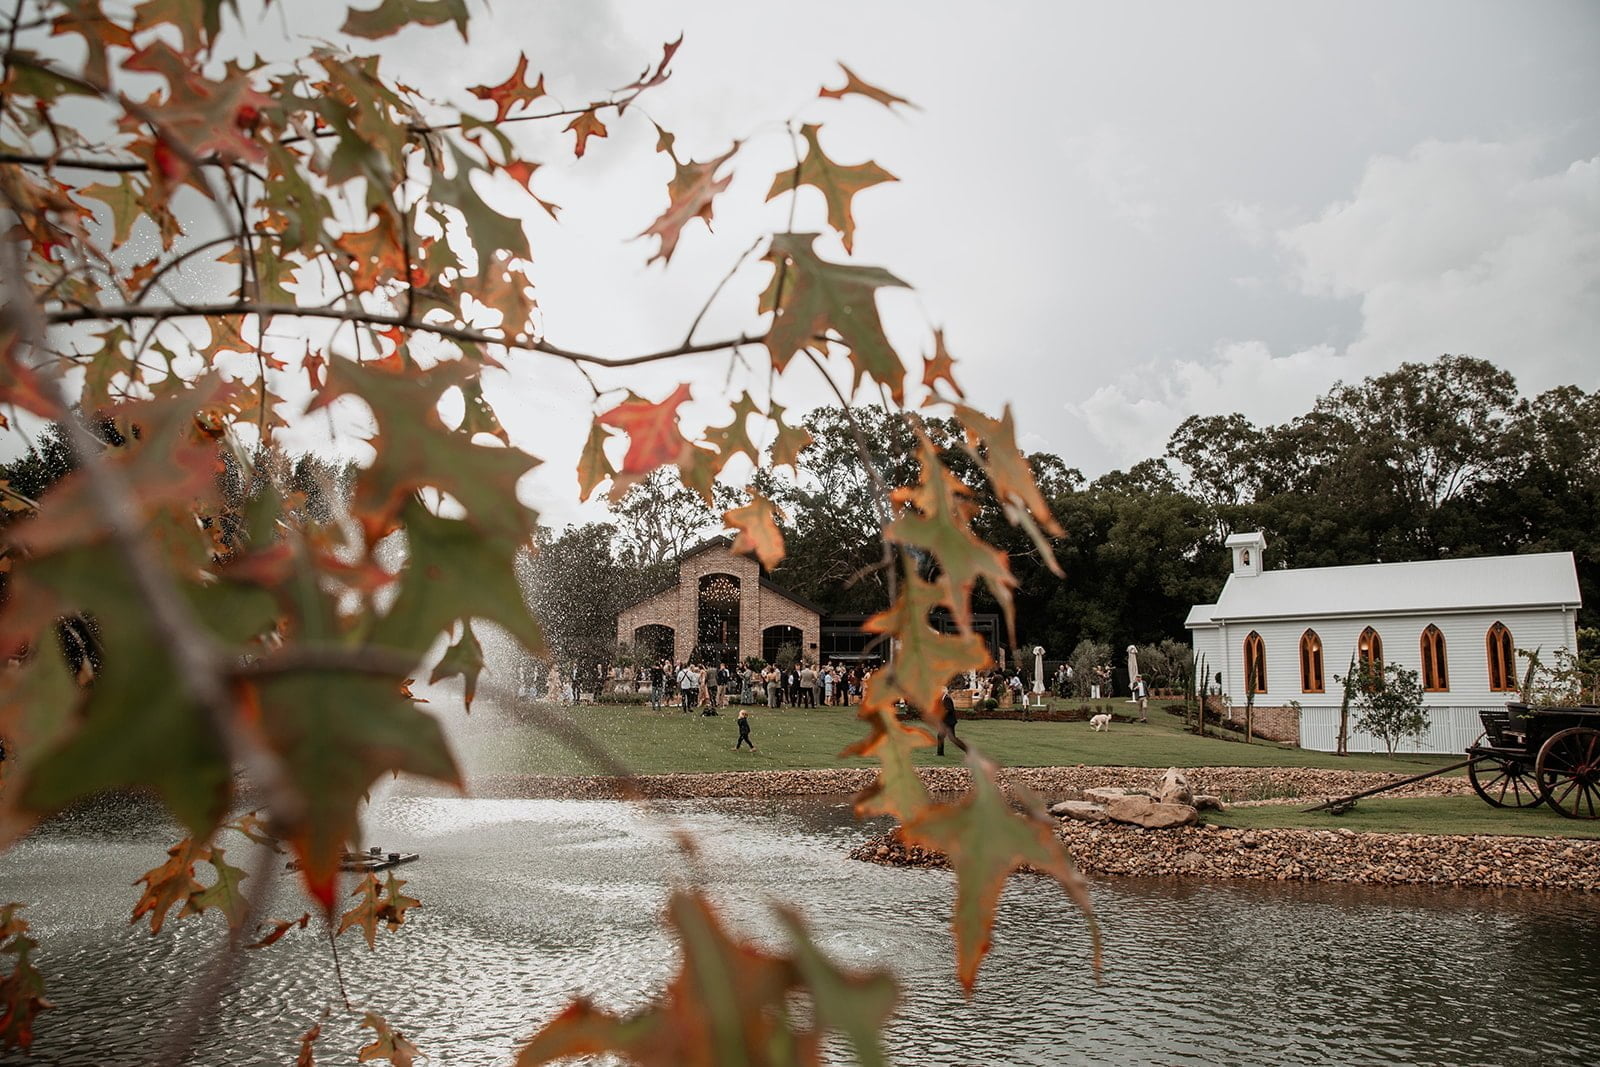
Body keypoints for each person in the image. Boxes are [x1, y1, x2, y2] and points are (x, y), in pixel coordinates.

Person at [936, 686, 967, 757]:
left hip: (949, 722)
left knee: (952, 738)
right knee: (940, 736)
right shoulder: (943, 698)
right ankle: (940, 753)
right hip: (946, 722)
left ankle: (967, 750)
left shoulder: (947, 699)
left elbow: (948, 709)